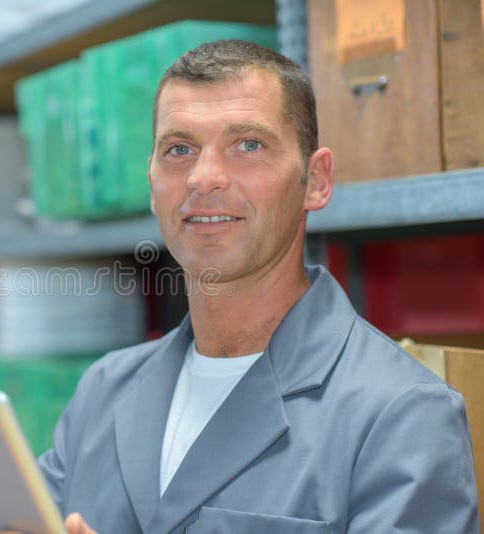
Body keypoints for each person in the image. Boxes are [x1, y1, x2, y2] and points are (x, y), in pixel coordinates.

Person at [37, 40, 480, 533]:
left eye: (248, 145)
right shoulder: (103, 391)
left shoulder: (401, 415)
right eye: (178, 150)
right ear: (152, 182)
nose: (203, 178)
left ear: (315, 180)